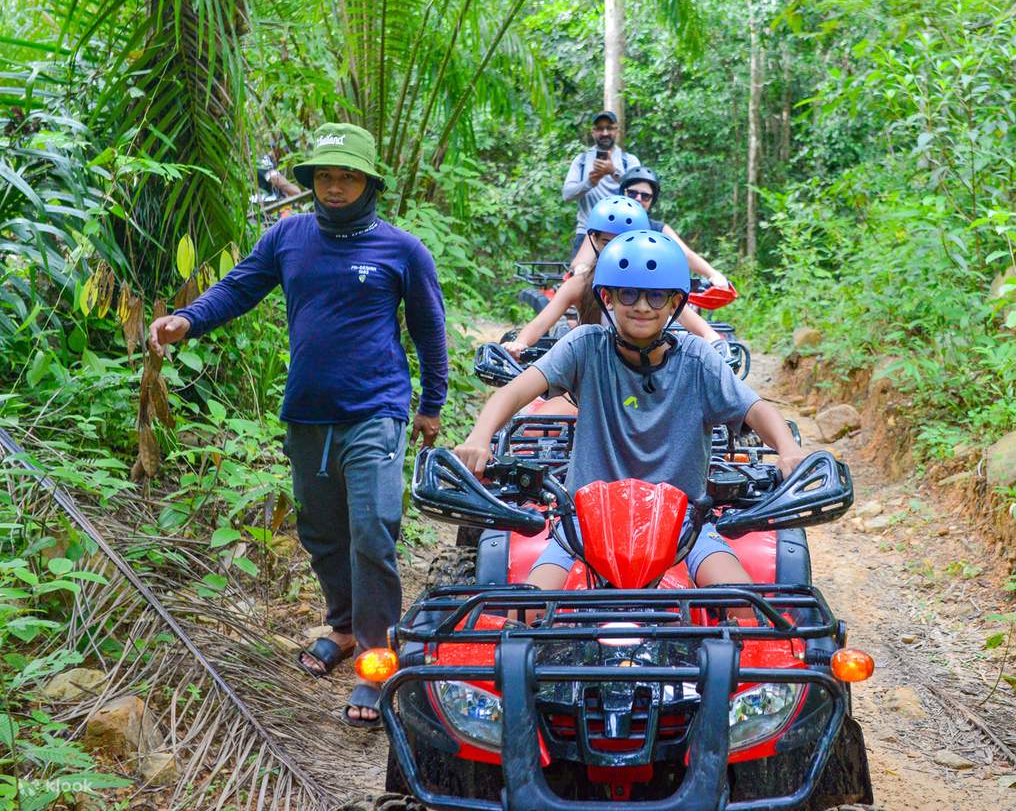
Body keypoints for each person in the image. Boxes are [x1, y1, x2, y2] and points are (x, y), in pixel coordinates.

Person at [147, 123, 448, 729]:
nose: (335, 187)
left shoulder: (402, 250)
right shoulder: (288, 236)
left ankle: (375, 659)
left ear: (369, 183)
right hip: (308, 411)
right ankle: (341, 625)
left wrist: (431, 403)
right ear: (311, 182)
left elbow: (428, 328)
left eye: (348, 176)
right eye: (325, 176)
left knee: (373, 531)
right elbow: (238, 289)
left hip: (377, 411)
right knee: (323, 531)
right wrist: (186, 321)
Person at [455, 230, 806, 595]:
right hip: (582, 524)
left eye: (656, 295)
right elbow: (512, 393)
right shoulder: (585, 347)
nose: (642, 306)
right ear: (606, 297)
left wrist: (788, 448)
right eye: (628, 293)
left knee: (745, 605)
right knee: (523, 615)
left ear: (675, 304)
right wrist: (479, 438)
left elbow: (756, 409)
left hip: (686, 525)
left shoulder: (698, 359)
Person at [503, 196, 725, 359]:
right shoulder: (580, 284)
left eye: (624, 240)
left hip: (649, 371)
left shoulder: (656, 283)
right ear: (594, 241)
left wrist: (714, 341)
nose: (616, 249)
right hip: (596, 372)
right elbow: (542, 322)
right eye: (607, 242)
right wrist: (520, 343)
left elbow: (694, 322)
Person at [569, 164, 728, 290]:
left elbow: (685, 255)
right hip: (607, 291)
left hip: (648, 294)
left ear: (652, 200)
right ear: (623, 192)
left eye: (645, 196)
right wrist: (582, 268)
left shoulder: (657, 228)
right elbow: (581, 261)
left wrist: (713, 274)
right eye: (632, 193)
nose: (638, 199)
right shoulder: (606, 223)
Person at [561, 110, 640, 258]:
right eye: (600, 128)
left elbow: (640, 194)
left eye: (609, 128)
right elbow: (566, 195)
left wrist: (614, 172)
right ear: (593, 132)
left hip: (623, 235)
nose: (605, 133)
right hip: (587, 232)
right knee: (580, 277)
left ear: (617, 130)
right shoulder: (582, 160)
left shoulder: (629, 161)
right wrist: (590, 182)